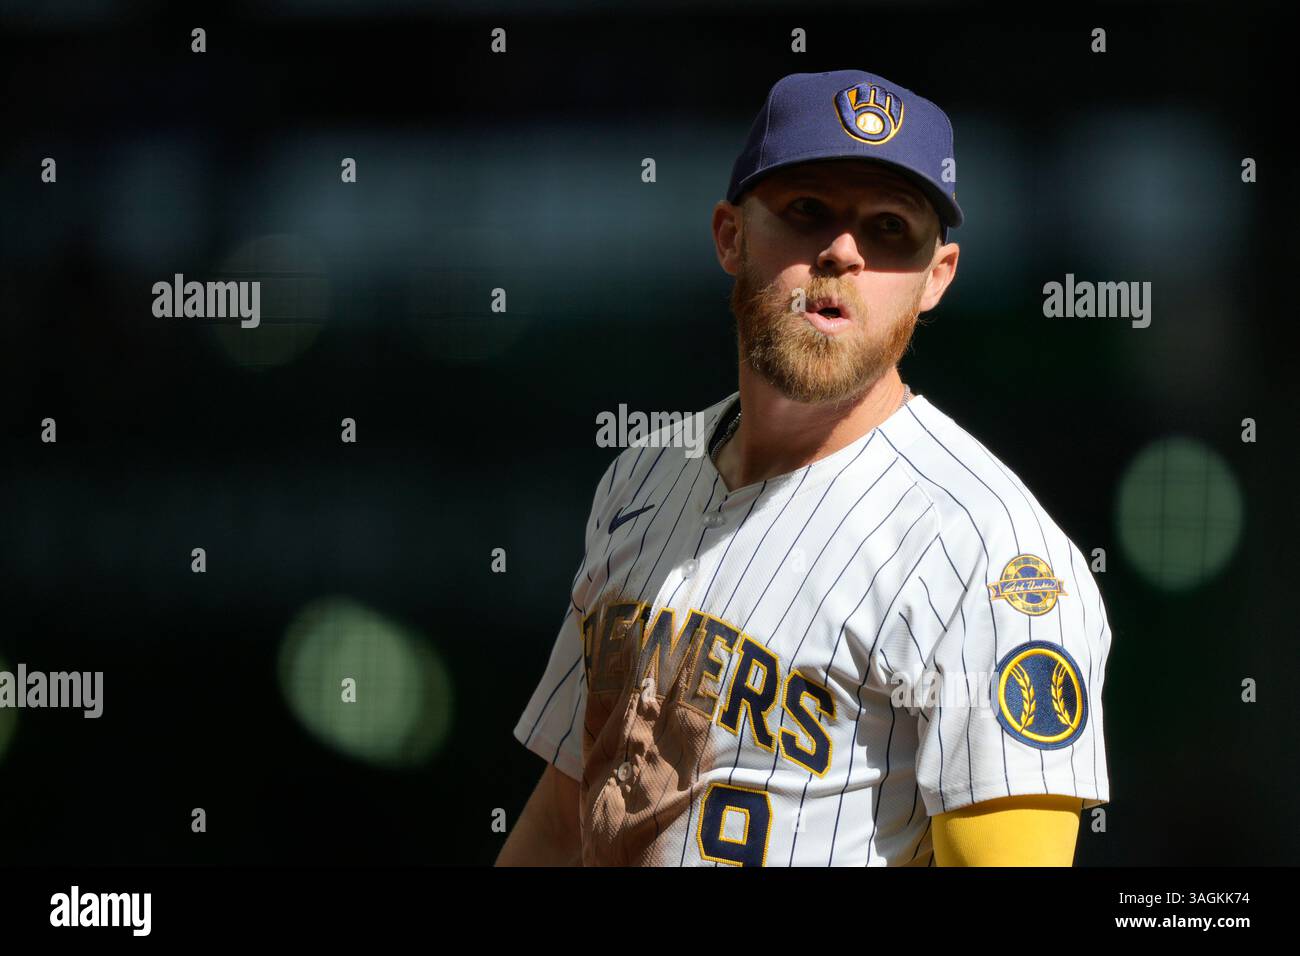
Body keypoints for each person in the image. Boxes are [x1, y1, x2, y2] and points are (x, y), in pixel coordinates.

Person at [498, 69, 1111, 867]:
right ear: (730, 235)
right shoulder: (643, 475)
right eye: (808, 211)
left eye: (891, 229)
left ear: (937, 277)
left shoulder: (991, 552)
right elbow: (563, 816)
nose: (845, 251)